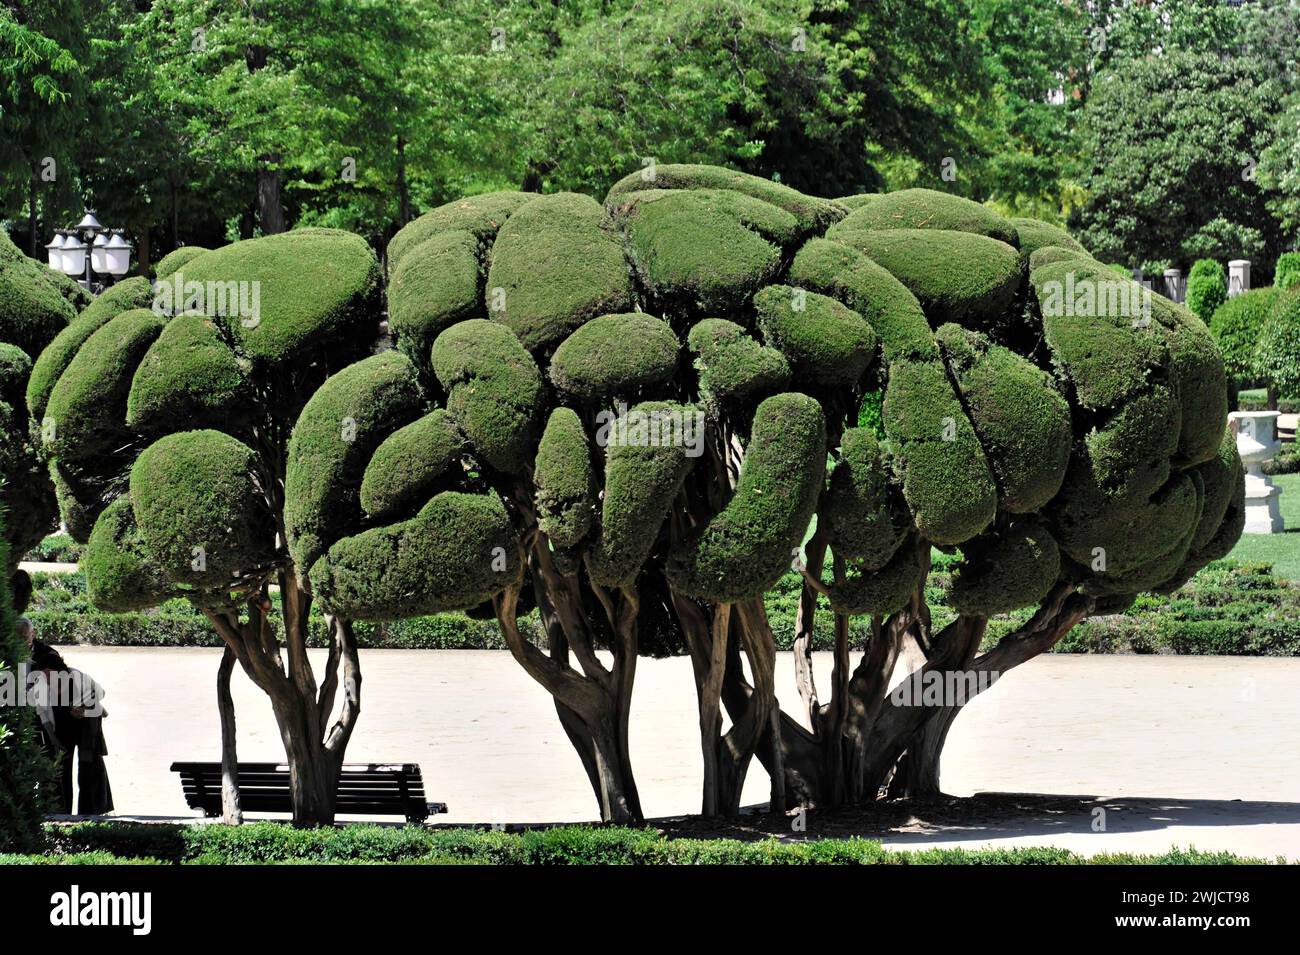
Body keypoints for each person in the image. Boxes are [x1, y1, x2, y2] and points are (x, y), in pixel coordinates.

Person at [18, 618, 113, 815]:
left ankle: (91, 813)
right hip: (59, 728)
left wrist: (83, 709)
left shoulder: (74, 677)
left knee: (88, 769)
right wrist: (55, 743)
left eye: (50, 673)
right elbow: (46, 722)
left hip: (85, 725)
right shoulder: (40, 692)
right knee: (58, 769)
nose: (46, 676)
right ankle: (60, 813)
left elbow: (99, 693)